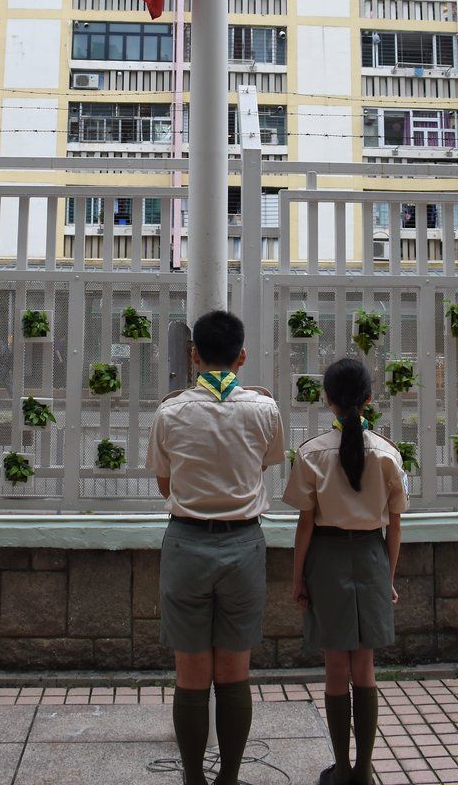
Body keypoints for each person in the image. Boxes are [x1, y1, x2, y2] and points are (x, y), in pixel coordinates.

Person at [146, 310, 285, 785]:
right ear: (242, 356)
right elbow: (264, 465)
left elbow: (165, 482)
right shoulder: (264, 410)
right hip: (244, 544)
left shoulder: (171, 411)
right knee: (234, 671)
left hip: (186, 543)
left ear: (194, 356)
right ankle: (228, 777)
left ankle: (193, 779)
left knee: (190, 673)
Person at [283, 357, 408, 785]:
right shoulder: (388, 454)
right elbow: (395, 525)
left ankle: (340, 768)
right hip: (371, 557)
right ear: (370, 398)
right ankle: (363, 770)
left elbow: (304, 525)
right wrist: (387, 577)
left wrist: (298, 578)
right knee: (365, 669)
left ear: (327, 400)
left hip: (327, 558)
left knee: (335, 667)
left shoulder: (311, 453)